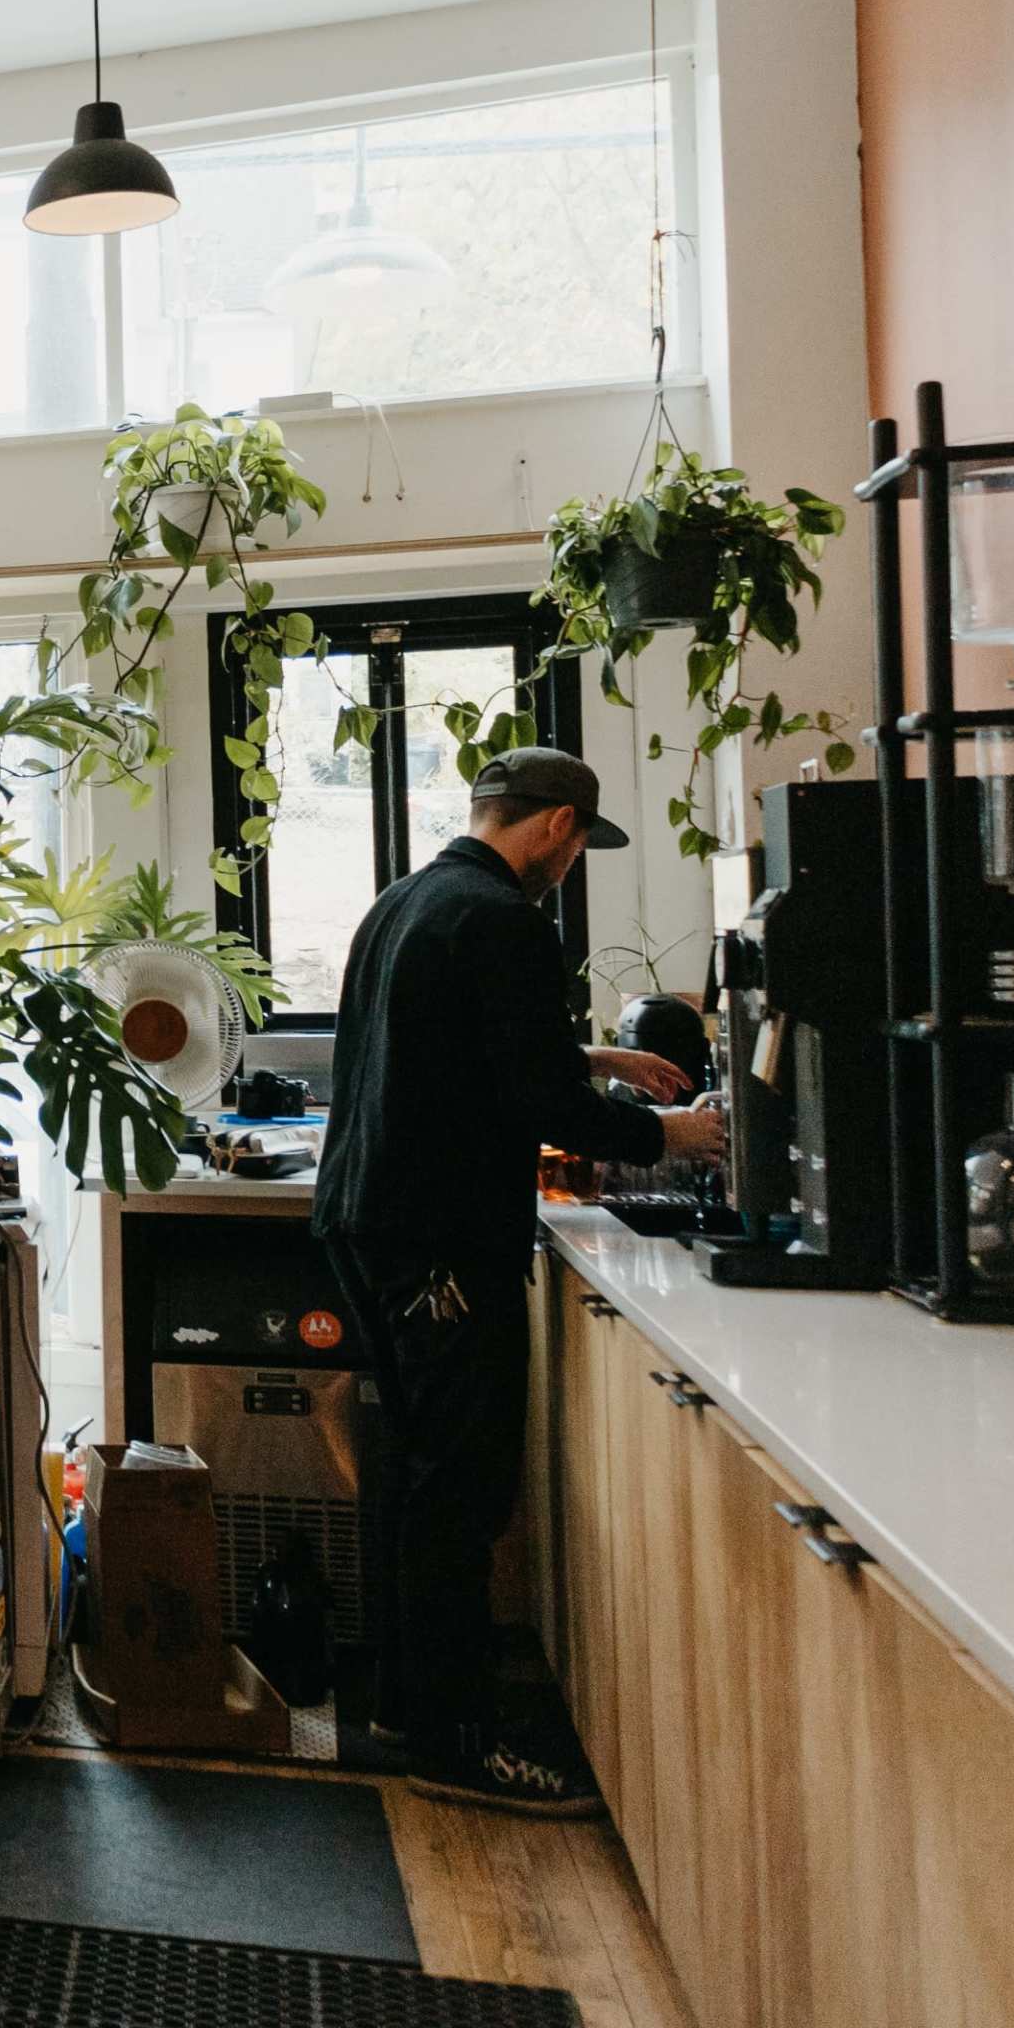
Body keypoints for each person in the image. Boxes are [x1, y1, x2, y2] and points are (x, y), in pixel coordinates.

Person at [314, 747, 724, 1814]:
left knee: (415, 1471)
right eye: (580, 843)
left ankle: (409, 1707)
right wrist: (673, 1132)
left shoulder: (408, 900)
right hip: (444, 1240)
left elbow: (455, 1045)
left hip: (368, 1226)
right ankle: (460, 1747)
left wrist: (596, 1057)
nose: (573, 864)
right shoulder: (507, 921)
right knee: (462, 1487)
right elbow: (538, 1104)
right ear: (554, 827)